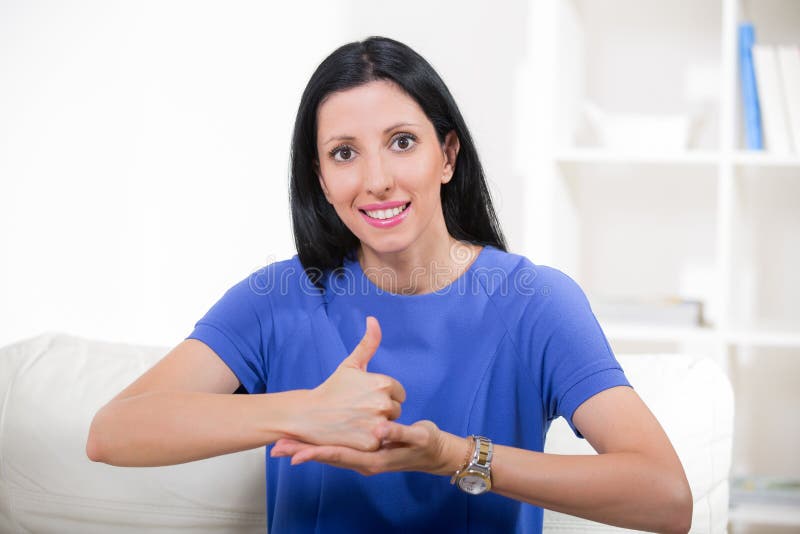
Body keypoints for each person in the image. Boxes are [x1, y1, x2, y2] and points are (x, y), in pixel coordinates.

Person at [86, 36, 692, 533]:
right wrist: (305, 410)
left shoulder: (533, 303)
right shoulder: (279, 298)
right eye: (344, 153)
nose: (376, 179)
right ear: (321, 179)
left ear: (447, 155)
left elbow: (665, 498)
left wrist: (454, 457)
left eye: (402, 142)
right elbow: (113, 433)